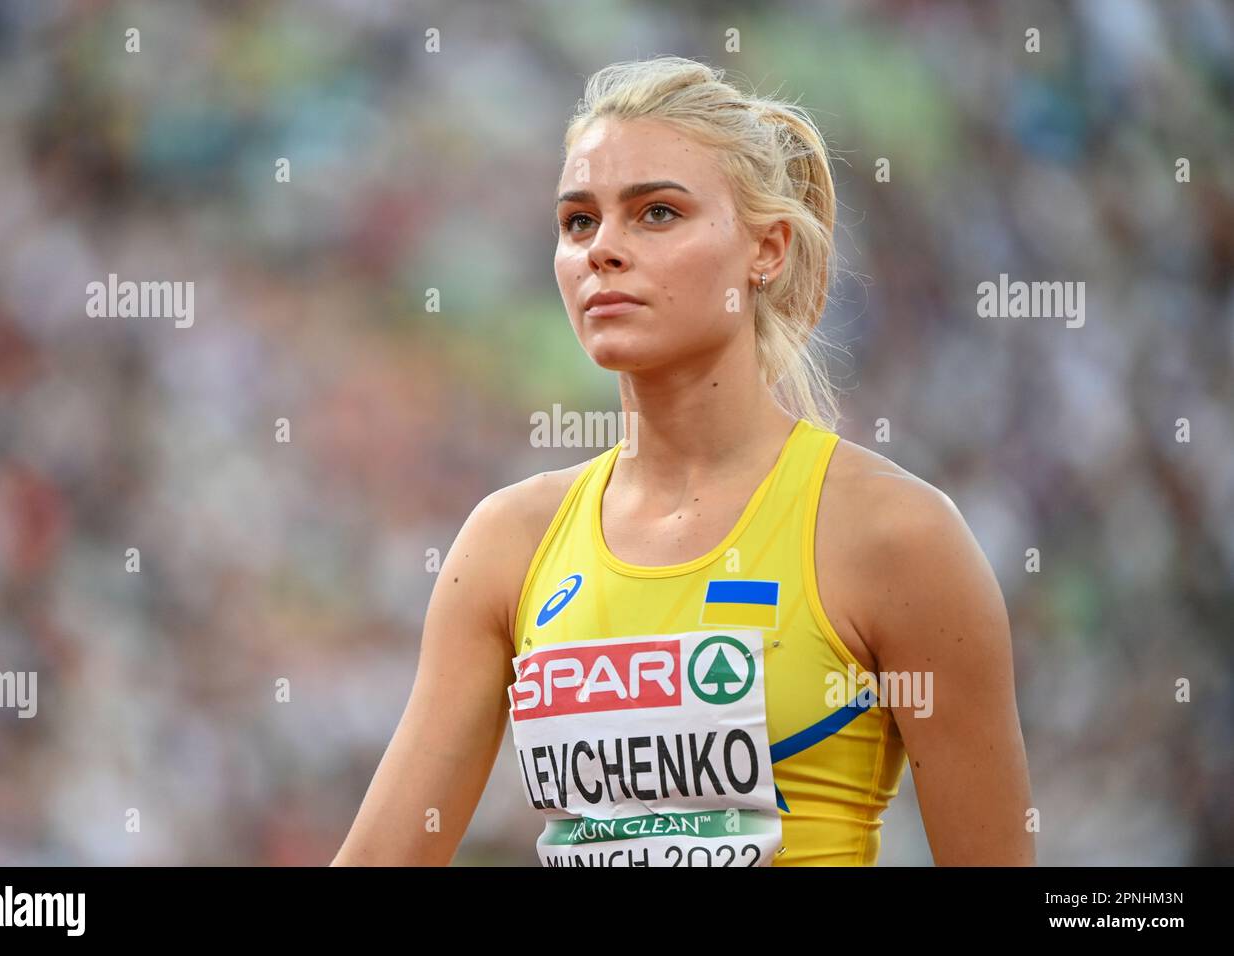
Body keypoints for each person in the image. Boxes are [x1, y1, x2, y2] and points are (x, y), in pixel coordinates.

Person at [332, 55, 1035, 867]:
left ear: (766, 249)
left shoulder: (895, 536)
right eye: (578, 221)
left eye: (657, 213)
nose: (603, 249)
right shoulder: (507, 543)